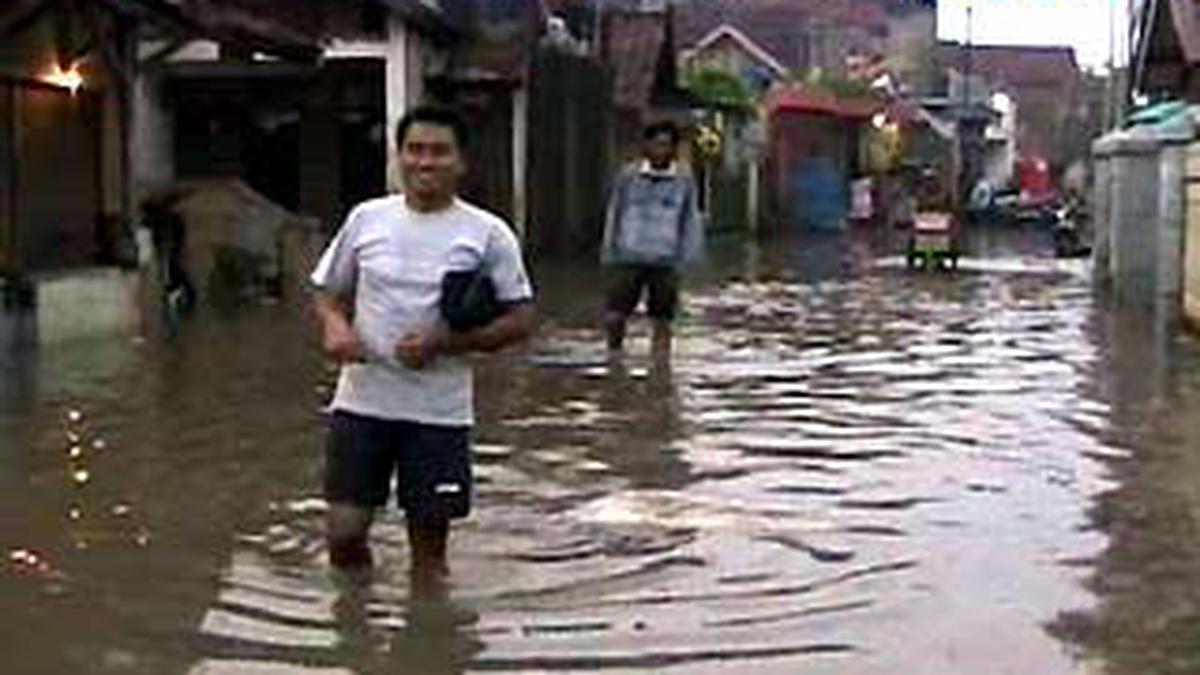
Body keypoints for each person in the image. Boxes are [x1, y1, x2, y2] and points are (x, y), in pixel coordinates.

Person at [309, 105, 535, 590]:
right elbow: (327, 291)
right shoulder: (367, 219)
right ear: (398, 158)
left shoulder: (488, 234)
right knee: (344, 535)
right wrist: (334, 327)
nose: (425, 163)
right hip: (361, 403)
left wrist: (447, 342)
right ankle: (355, 637)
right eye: (414, 150)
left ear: (461, 162)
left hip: (439, 414)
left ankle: (428, 645)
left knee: (429, 559)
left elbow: (521, 320)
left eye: (439, 152)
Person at [600, 120, 704, 356]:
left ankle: (660, 364)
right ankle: (613, 357)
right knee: (615, 314)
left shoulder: (684, 179)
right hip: (628, 255)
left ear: (674, 149)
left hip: (666, 259)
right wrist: (609, 251)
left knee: (662, 318)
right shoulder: (628, 175)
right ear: (646, 146)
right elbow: (615, 212)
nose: (660, 151)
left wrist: (688, 257)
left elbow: (690, 218)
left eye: (666, 145)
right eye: (656, 144)